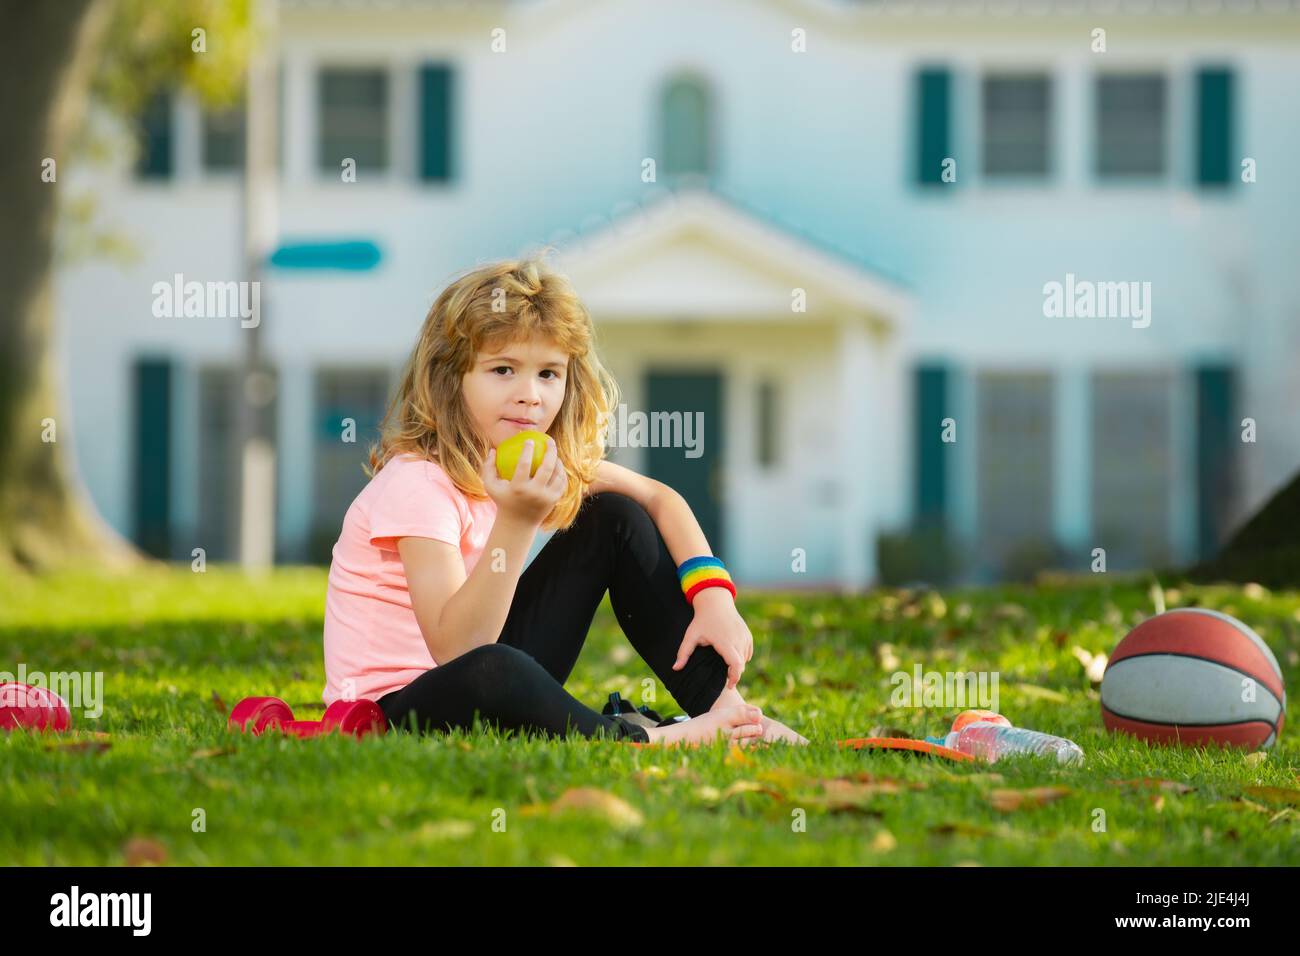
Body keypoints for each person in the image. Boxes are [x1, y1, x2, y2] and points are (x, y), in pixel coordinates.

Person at [322, 252, 808, 748]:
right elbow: (458, 650)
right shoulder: (418, 482)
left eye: (548, 374)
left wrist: (714, 599)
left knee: (615, 516)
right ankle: (648, 740)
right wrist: (516, 519)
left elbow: (659, 498)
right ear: (451, 381)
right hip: (397, 709)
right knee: (494, 667)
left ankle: (730, 714)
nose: (530, 395)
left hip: (493, 673)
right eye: (503, 369)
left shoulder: (531, 463)